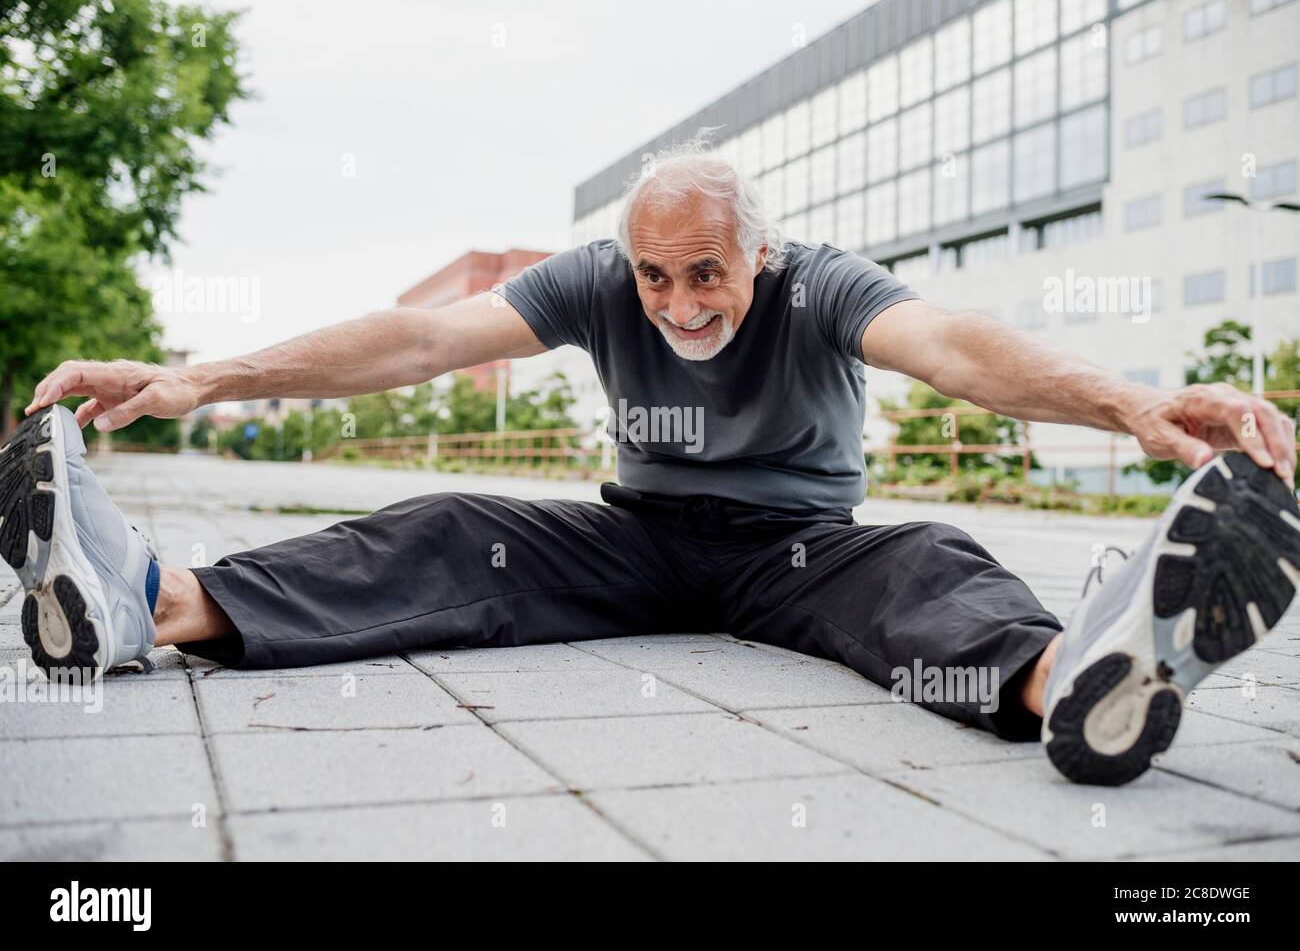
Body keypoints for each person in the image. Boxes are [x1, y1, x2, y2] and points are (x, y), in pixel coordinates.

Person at [5, 143, 1297, 787]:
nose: (677, 305)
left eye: (706, 275)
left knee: (925, 563)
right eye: (655, 276)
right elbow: (416, 338)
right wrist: (197, 378)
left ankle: (1087, 681)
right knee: (454, 530)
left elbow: (954, 350)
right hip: (636, 537)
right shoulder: (597, 280)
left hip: (800, 553)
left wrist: (1122, 403)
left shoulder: (822, 285)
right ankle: (143, 599)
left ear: (760, 258)